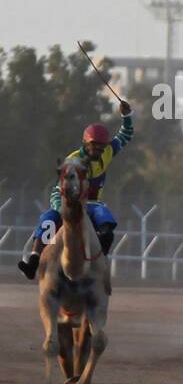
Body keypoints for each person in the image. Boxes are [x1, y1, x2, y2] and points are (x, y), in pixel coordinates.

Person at [18, 100, 134, 279]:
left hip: (93, 204)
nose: (99, 149)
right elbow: (58, 191)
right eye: (95, 145)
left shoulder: (108, 151)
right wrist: (61, 210)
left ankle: (100, 264)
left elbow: (126, 135)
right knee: (48, 219)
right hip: (70, 204)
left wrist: (126, 115)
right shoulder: (72, 162)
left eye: (101, 146)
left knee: (106, 224)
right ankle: (33, 261)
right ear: (85, 143)